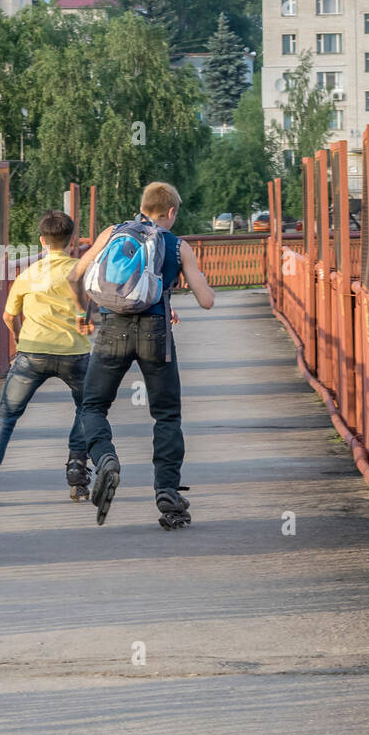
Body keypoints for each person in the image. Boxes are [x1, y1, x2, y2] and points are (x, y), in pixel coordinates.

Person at [69, 181, 215, 530]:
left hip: (112, 330)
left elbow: (75, 276)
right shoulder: (177, 246)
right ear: (171, 212)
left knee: (92, 406)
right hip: (156, 334)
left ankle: (105, 458)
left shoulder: (113, 233)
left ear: (143, 206)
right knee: (166, 415)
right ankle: (167, 492)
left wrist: (83, 313)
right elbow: (206, 300)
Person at [0, 210, 93, 506]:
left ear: (42, 241)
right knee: (87, 408)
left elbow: (8, 316)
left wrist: (19, 337)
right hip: (74, 353)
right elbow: (90, 308)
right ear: (71, 241)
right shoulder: (81, 271)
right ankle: (77, 471)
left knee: (5, 415)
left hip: (32, 354)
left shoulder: (28, 274)